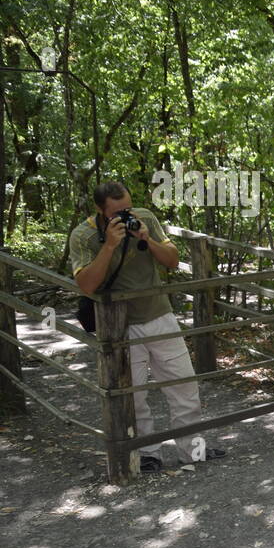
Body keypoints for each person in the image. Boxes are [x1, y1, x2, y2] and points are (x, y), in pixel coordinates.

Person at [69, 180, 226, 472]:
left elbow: (173, 260)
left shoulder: (146, 218)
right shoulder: (83, 236)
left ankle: (193, 451)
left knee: (184, 387)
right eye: (117, 212)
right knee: (134, 396)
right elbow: (87, 284)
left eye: (127, 207)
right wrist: (110, 245)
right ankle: (146, 455)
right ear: (100, 210)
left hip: (160, 314)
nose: (125, 215)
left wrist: (146, 238)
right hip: (120, 327)